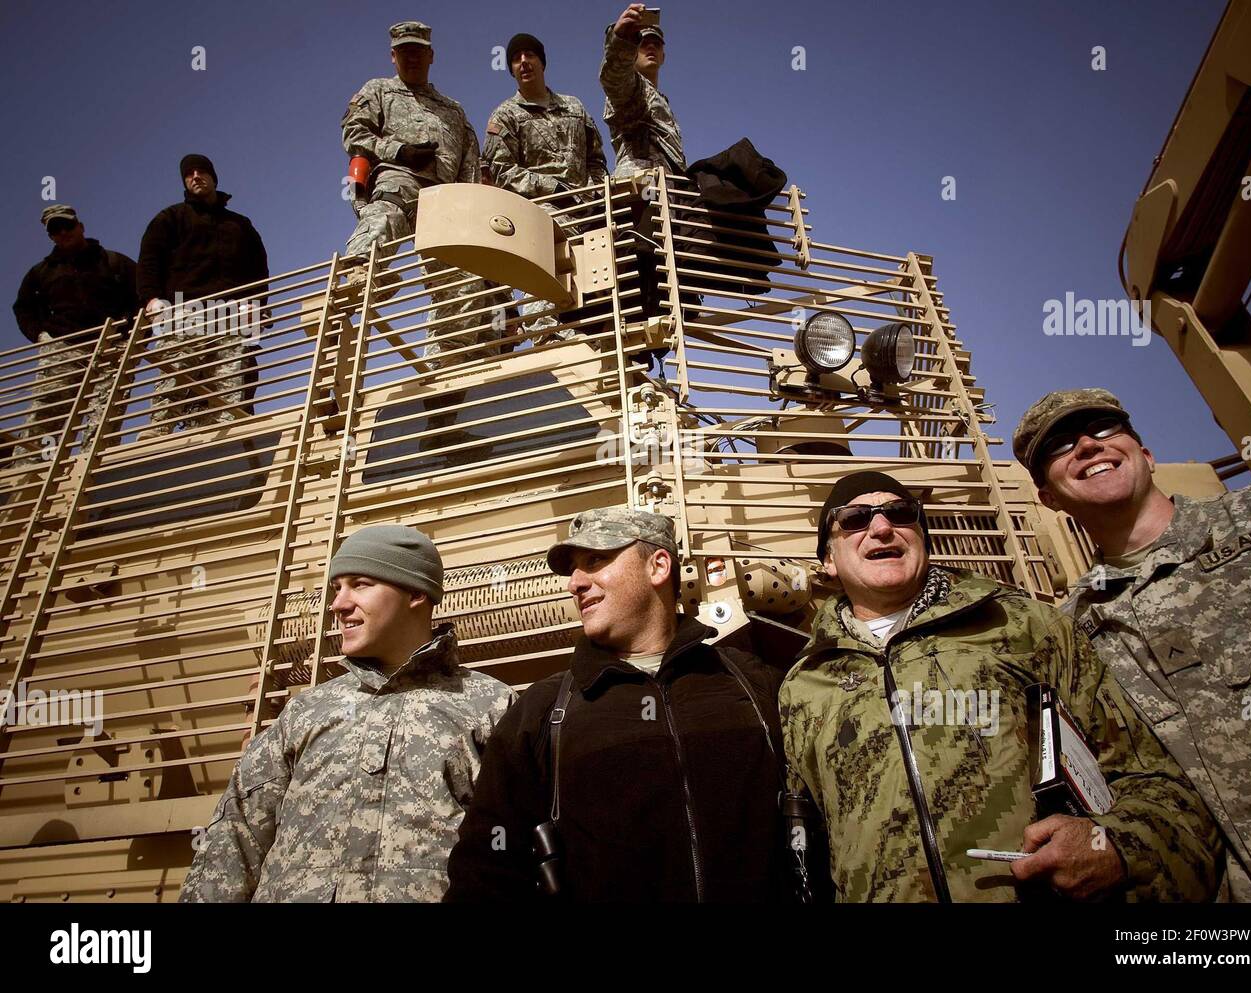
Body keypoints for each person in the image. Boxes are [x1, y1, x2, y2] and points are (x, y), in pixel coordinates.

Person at [780, 469, 1222, 902]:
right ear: (828, 559)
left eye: (901, 513)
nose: (881, 527)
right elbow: (806, 847)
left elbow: (1152, 778)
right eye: (855, 519)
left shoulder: (1027, 626)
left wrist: (1116, 847)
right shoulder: (804, 684)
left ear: (923, 539)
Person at [1015, 387, 1251, 903]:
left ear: (1145, 455)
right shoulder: (1071, 631)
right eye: (1059, 445)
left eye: (1103, 428)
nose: (1086, 445)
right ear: (1047, 498)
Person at [446, 507, 789, 901]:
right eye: (573, 569)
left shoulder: (753, 684)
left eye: (595, 560)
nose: (575, 583)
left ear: (658, 566)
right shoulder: (541, 713)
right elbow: (486, 867)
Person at [179, 525, 515, 902]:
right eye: (337, 587)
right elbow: (233, 841)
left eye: (360, 584)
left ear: (417, 592)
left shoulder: (490, 707)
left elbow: (512, 852)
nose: (338, 604)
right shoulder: (306, 711)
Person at [341, 20, 495, 369]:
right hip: (400, 179)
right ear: (393, 56)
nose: (413, 58)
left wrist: (471, 211)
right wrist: (399, 151)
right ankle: (361, 275)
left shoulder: (452, 110)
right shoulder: (378, 90)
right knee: (386, 215)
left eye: (419, 52)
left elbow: (470, 164)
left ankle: (448, 365)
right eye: (405, 52)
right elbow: (354, 133)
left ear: (431, 56)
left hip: (445, 198)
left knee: (462, 283)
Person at [484, 32, 609, 339]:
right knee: (540, 243)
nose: (523, 62)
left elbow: (595, 158)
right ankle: (545, 331)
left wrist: (591, 192)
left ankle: (602, 333)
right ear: (511, 69)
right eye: (516, 58)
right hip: (537, 208)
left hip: (585, 209)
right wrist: (550, 188)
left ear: (542, 62)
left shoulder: (574, 108)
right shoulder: (506, 115)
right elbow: (502, 171)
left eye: (529, 55)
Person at [136, 154, 268, 438]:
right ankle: (158, 430)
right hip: (185, 308)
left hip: (232, 310)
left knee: (231, 376)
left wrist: (257, 305)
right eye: (189, 174)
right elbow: (149, 260)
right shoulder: (170, 218)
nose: (196, 176)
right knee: (176, 372)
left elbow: (259, 268)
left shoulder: (239, 224)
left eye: (201, 171)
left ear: (213, 177)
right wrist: (150, 299)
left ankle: (227, 431)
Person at [10, 205, 137, 464]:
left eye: (67, 225)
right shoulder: (40, 273)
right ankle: (29, 477)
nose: (63, 232)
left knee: (105, 416)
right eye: (56, 230)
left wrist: (127, 328)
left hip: (109, 346)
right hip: (62, 349)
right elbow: (23, 308)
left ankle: (96, 468)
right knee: (47, 416)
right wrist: (40, 336)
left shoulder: (113, 262)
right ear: (51, 237)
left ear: (80, 226)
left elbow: (141, 294)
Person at [600, 5, 685, 178]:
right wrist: (622, 40)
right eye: (644, 43)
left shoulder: (662, 101)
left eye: (657, 44)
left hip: (669, 187)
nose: (651, 47)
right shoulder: (633, 88)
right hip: (639, 183)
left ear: (663, 56)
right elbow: (614, 78)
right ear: (633, 50)